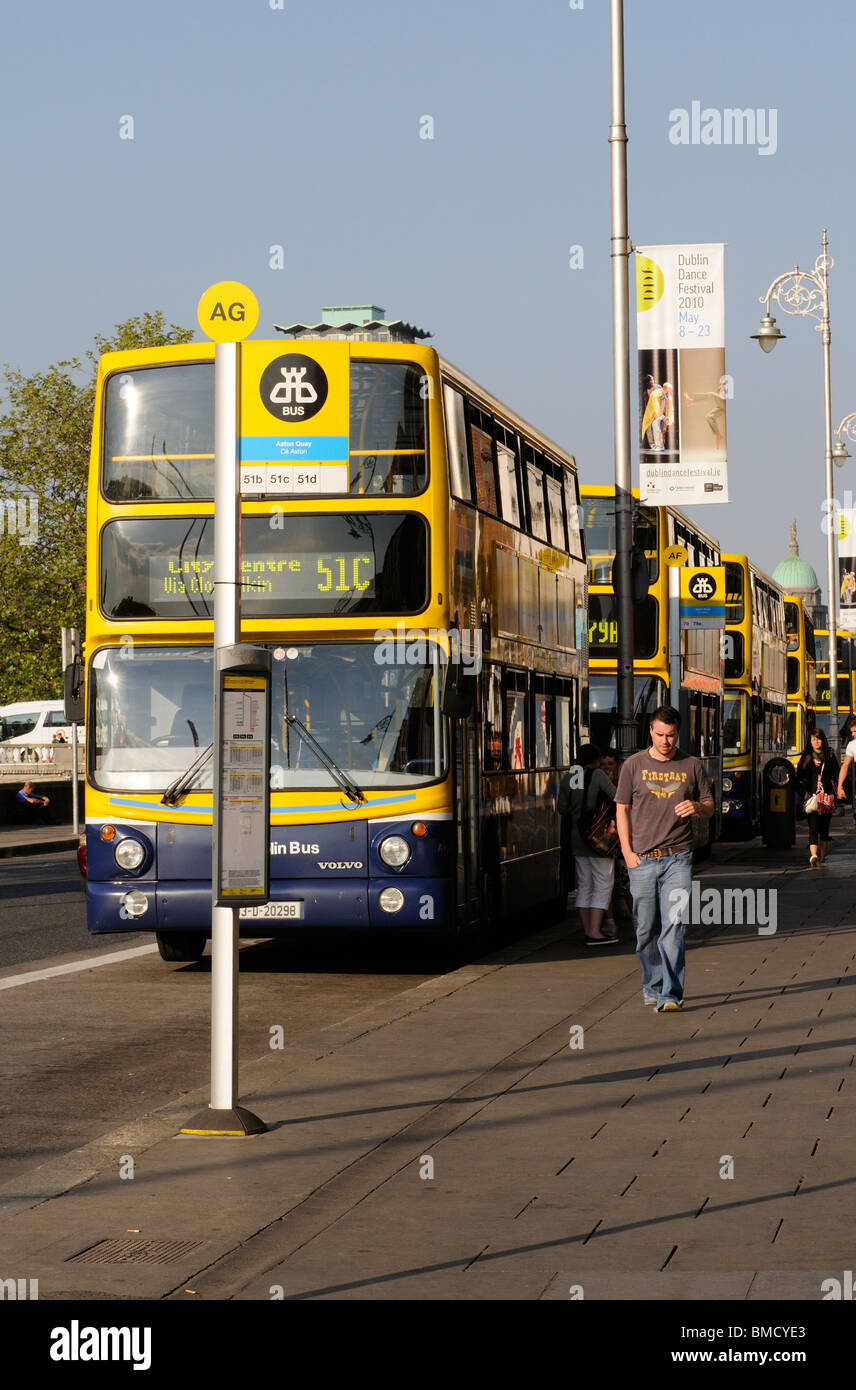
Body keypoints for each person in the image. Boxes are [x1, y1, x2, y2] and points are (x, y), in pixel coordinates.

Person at [615, 705, 715, 1012]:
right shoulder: (633, 765)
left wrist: (697, 808)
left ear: (678, 733)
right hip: (642, 859)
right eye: (659, 734)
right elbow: (622, 809)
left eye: (670, 735)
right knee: (646, 930)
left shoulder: (691, 765)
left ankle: (671, 994)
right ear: (650, 731)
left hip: (678, 858)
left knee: (674, 926)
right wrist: (627, 853)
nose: (665, 741)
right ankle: (653, 984)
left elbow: (710, 806)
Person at [559, 744, 618, 946]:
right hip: (597, 837)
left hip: (576, 837)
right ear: (596, 760)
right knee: (603, 883)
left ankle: (587, 931)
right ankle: (595, 932)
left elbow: (562, 808)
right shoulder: (598, 775)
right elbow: (617, 797)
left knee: (584, 885)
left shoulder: (568, 777)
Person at [798, 729, 841, 865]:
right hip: (812, 798)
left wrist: (840, 789)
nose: (815, 741)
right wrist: (804, 764)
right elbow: (799, 776)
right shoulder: (807, 756)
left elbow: (837, 773)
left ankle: (822, 857)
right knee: (813, 828)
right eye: (813, 739)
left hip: (827, 798)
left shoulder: (829, 755)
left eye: (818, 738)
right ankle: (814, 856)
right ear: (810, 742)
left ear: (823, 740)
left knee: (824, 829)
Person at [836, 715, 856, 825]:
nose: (852, 735)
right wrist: (840, 786)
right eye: (851, 732)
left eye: (855, 731)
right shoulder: (852, 745)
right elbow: (845, 766)